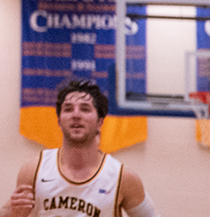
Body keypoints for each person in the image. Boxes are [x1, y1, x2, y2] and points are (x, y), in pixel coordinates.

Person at [10, 81, 153, 217]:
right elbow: (4, 212)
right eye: (68, 109)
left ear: (100, 122)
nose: (76, 115)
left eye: (85, 109)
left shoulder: (123, 178)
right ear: (59, 121)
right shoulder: (33, 170)